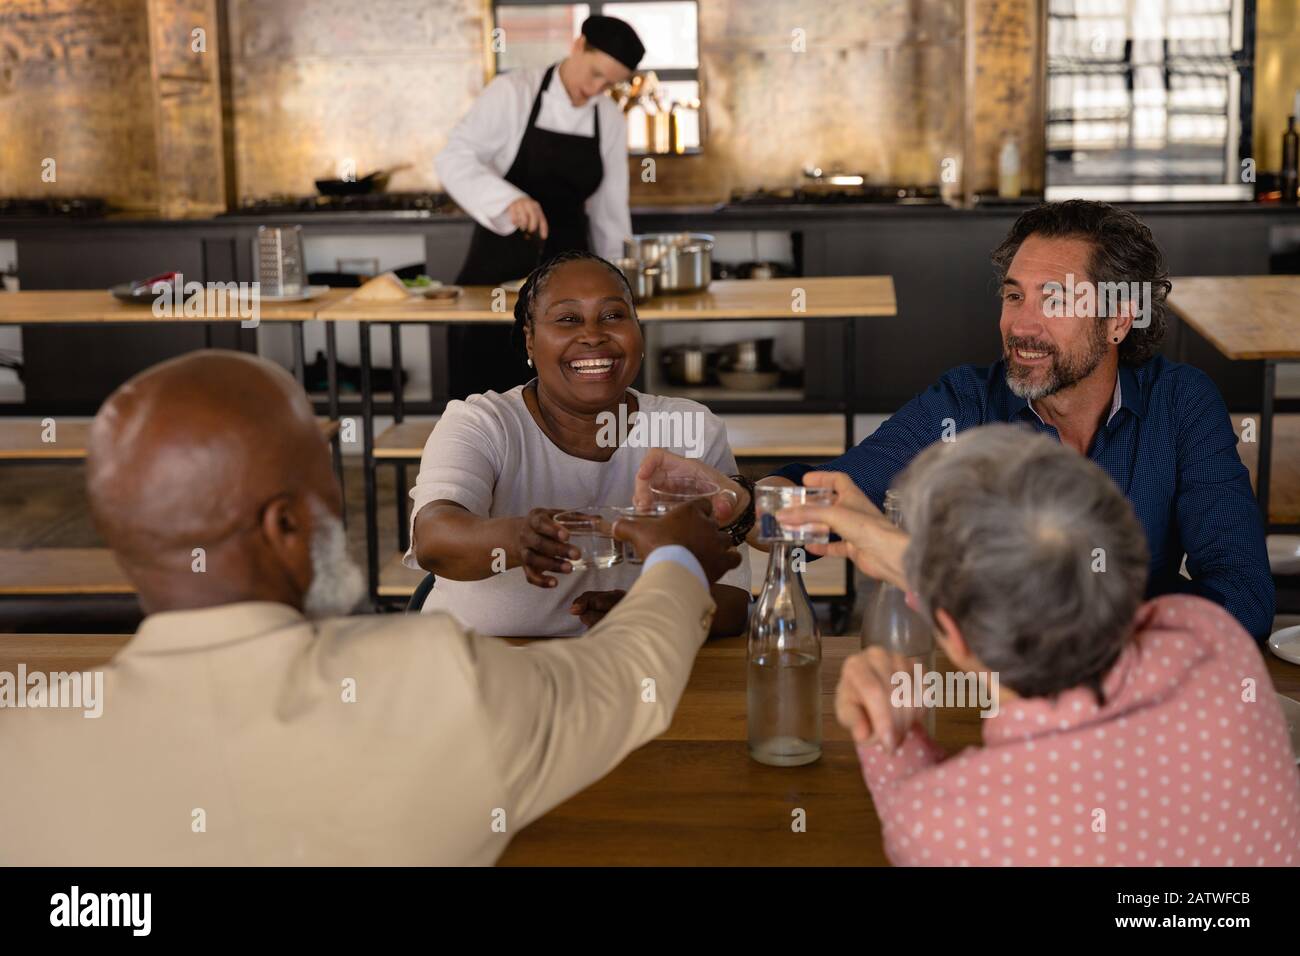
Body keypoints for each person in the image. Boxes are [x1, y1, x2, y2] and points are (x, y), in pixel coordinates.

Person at [0, 350, 740, 865]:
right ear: (286, 527)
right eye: (324, 478)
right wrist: (679, 560)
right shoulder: (441, 683)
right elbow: (628, 680)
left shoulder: (21, 750)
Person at [634, 200, 1275, 640]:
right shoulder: (966, 405)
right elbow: (831, 492)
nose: (1021, 325)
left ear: (1116, 319)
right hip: (992, 692)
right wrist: (738, 504)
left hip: (1140, 698)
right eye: (1013, 295)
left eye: (1054, 300)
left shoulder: (1181, 403)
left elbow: (1245, 599)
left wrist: (1074, 627)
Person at [780, 424, 1300, 867]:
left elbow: (914, 813)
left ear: (952, 634)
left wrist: (888, 739)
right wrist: (915, 559)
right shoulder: (1212, 639)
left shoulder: (942, 825)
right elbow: (1046, 581)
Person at [406, 251, 752, 638]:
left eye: (613, 316)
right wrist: (520, 538)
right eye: (568, 319)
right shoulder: (482, 423)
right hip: (481, 670)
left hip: (633, 665)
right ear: (530, 341)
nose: (593, 335)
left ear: (639, 330)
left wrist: (648, 608)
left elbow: (732, 601)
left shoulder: (689, 429)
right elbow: (433, 539)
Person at [436, 14, 644, 396]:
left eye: (609, 84)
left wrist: (622, 287)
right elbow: (452, 158)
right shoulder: (513, 92)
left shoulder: (609, 119)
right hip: (501, 261)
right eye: (595, 74)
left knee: (569, 393)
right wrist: (509, 199)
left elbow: (610, 212)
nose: (595, 89)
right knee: (488, 384)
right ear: (578, 45)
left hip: (572, 265)